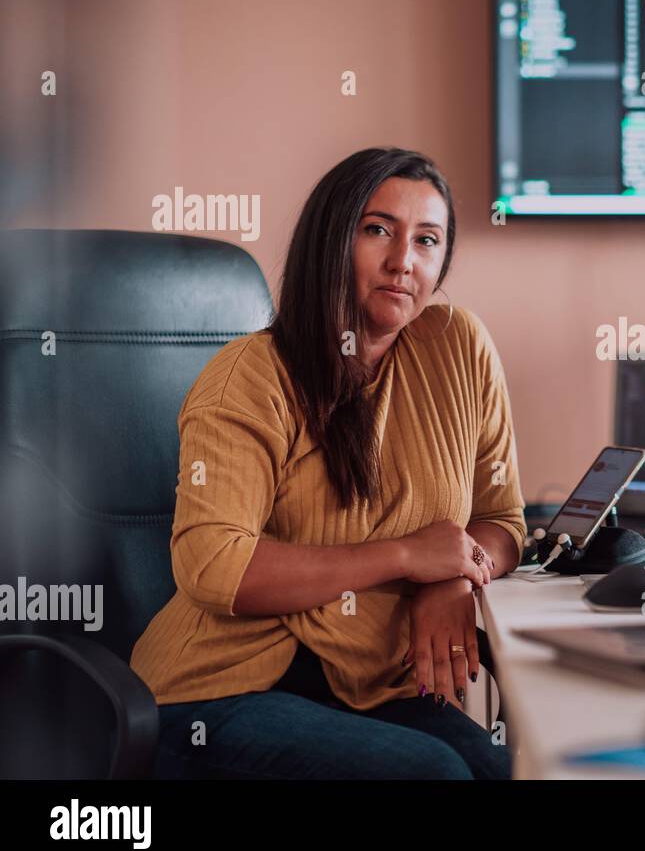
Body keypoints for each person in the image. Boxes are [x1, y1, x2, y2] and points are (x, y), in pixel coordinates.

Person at [130, 147, 523, 779]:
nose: (404, 262)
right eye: (377, 231)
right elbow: (213, 564)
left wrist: (450, 576)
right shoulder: (248, 378)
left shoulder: (458, 349)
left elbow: (502, 519)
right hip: (219, 691)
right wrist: (403, 556)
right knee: (434, 776)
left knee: (503, 772)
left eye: (427, 240)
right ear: (330, 240)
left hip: (368, 686)